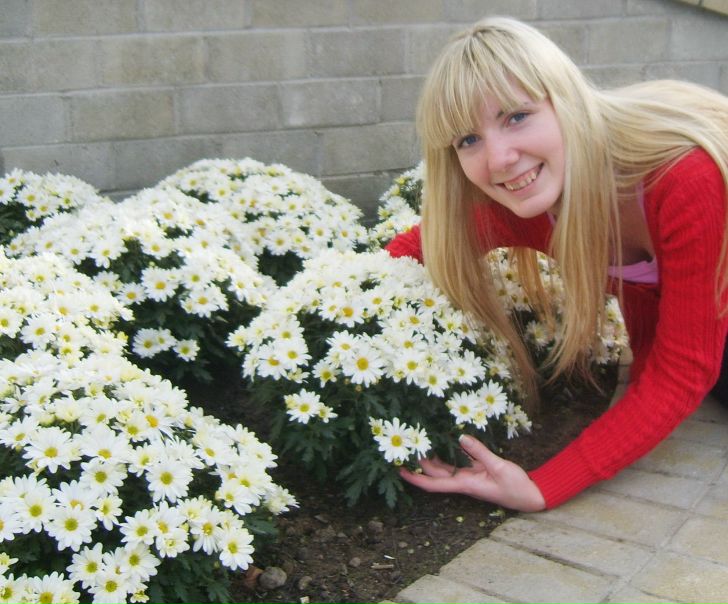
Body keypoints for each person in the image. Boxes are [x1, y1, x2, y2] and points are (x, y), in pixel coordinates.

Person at [385, 17, 728, 512]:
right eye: (467, 140)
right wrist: (333, 294)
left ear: (565, 101)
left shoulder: (684, 177)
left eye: (516, 116)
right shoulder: (524, 206)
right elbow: (422, 246)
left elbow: (684, 370)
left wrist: (543, 486)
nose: (499, 159)